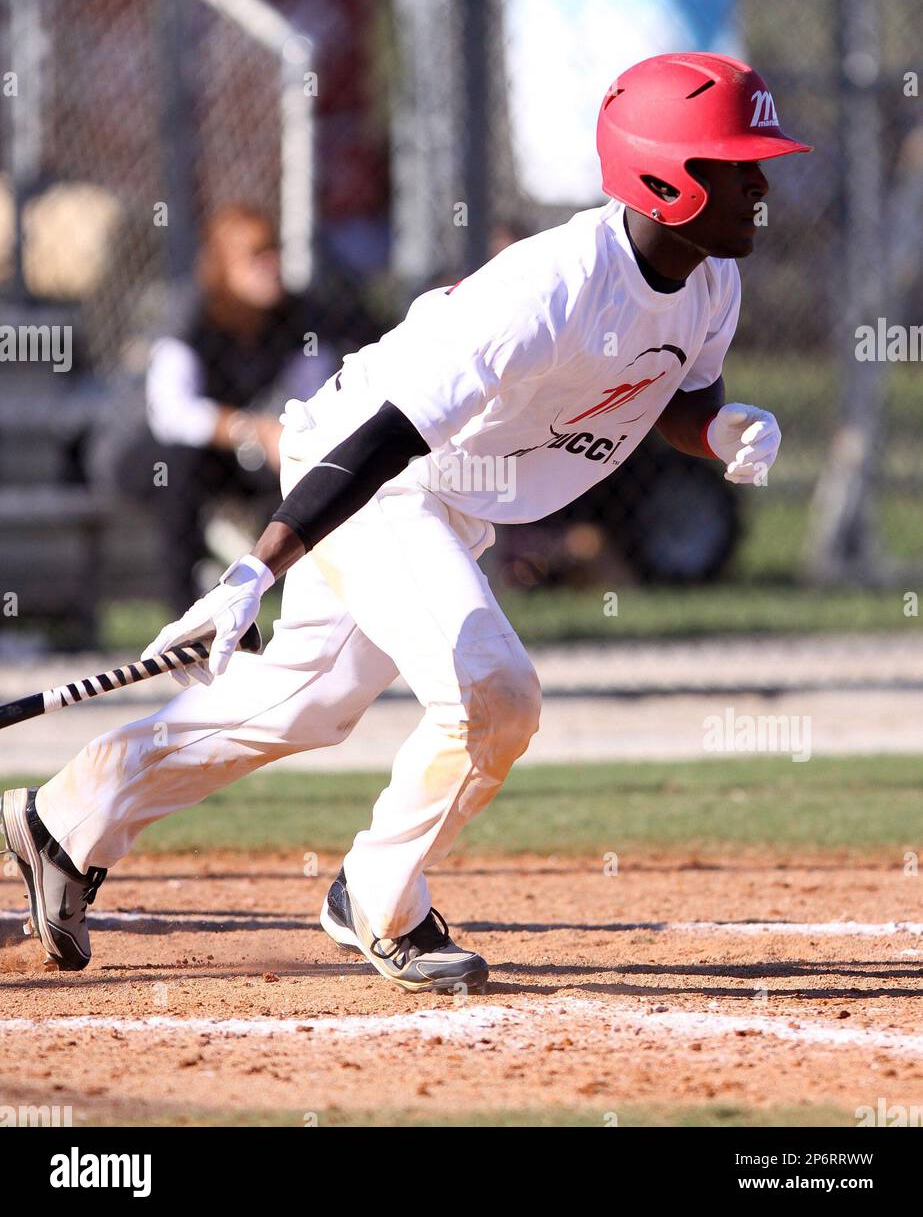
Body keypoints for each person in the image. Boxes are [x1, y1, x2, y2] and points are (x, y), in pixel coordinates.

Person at [0, 53, 811, 992]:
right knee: (494, 694)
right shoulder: (547, 288)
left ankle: (62, 821)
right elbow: (382, 436)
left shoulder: (711, 278)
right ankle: (378, 899)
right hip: (373, 475)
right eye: (737, 163)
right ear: (664, 178)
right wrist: (253, 570)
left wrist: (718, 427)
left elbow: (677, 386)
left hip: (443, 497)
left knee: (296, 705)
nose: (759, 182)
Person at [119, 204, 334, 610]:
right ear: (222, 265)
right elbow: (172, 415)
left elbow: (316, 392)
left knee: (308, 463)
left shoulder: (296, 316)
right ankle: (183, 617)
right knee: (178, 466)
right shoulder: (190, 316)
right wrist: (253, 430)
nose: (271, 265)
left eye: (274, 251)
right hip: (150, 450)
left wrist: (281, 438)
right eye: (255, 255)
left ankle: (301, 609)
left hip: (238, 455)